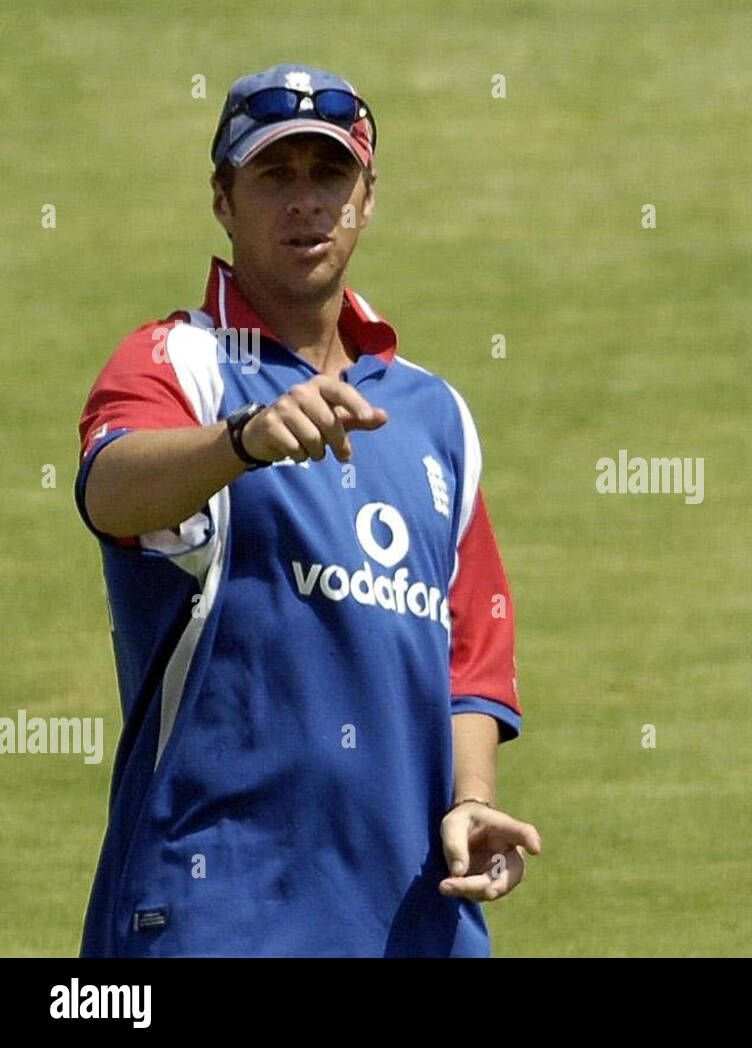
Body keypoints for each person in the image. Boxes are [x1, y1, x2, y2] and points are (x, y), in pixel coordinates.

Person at [75, 63, 540, 957]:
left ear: (367, 195)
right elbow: (111, 489)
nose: (305, 203)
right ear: (222, 198)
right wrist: (239, 442)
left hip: (413, 920)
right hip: (214, 916)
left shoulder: (435, 414)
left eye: (329, 175)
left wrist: (473, 799)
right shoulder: (179, 364)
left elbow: (470, 655)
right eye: (273, 175)